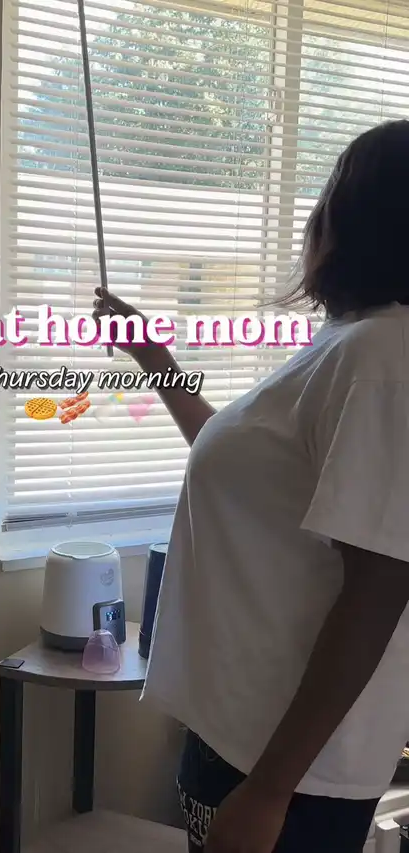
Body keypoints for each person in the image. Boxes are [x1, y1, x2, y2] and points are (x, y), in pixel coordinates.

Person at [92, 120, 409, 853]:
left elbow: (381, 584)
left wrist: (269, 789)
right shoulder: (346, 343)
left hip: (293, 770)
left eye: (328, 192)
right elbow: (241, 465)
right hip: (239, 731)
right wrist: (154, 359)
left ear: (359, 216)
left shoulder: (382, 360)